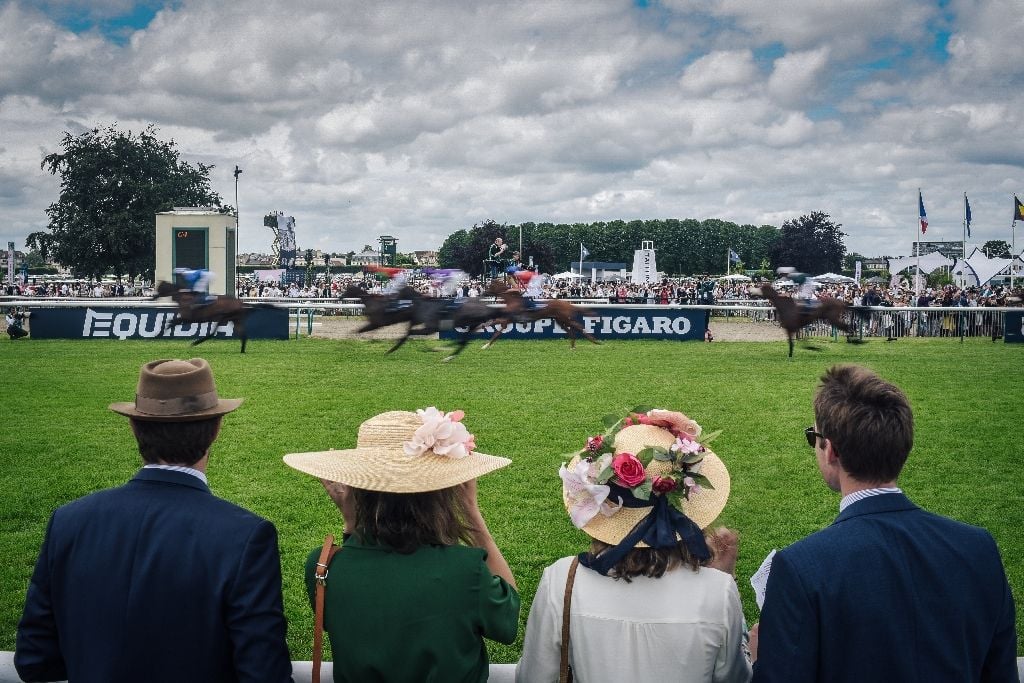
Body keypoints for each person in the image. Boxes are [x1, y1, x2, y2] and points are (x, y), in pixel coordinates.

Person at [15, 358, 293, 683]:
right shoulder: (245, 536)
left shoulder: (69, 521)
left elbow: (35, 660)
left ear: (134, 426)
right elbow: (263, 673)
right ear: (217, 429)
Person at [750, 365, 1017, 683]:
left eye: (814, 437)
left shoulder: (800, 568)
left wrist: (760, 660)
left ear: (830, 449)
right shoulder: (978, 547)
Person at [283, 407, 519, 682]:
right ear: (440, 492)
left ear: (357, 487)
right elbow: (507, 621)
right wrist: (472, 515)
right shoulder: (467, 571)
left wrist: (351, 524)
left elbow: (362, 619)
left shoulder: (323, 567)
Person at [517, 408, 751, 682]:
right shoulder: (718, 591)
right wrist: (726, 578)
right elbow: (735, 678)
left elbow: (534, 677)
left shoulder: (562, 581)